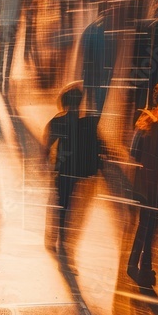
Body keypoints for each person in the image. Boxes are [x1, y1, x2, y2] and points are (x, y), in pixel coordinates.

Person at [44, 82, 99, 256]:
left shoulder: (59, 121)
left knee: (60, 204)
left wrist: (48, 163)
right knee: (69, 206)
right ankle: (63, 240)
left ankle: (55, 237)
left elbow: (47, 144)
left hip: (63, 170)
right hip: (77, 172)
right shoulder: (88, 122)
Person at [127, 82, 158, 289]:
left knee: (147, 226)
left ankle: (138, 265)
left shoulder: (147, 121)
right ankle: (141, 267)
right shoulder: (156, 124)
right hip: (156, 185)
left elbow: (134, 151)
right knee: (149, 227)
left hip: (146, 183)